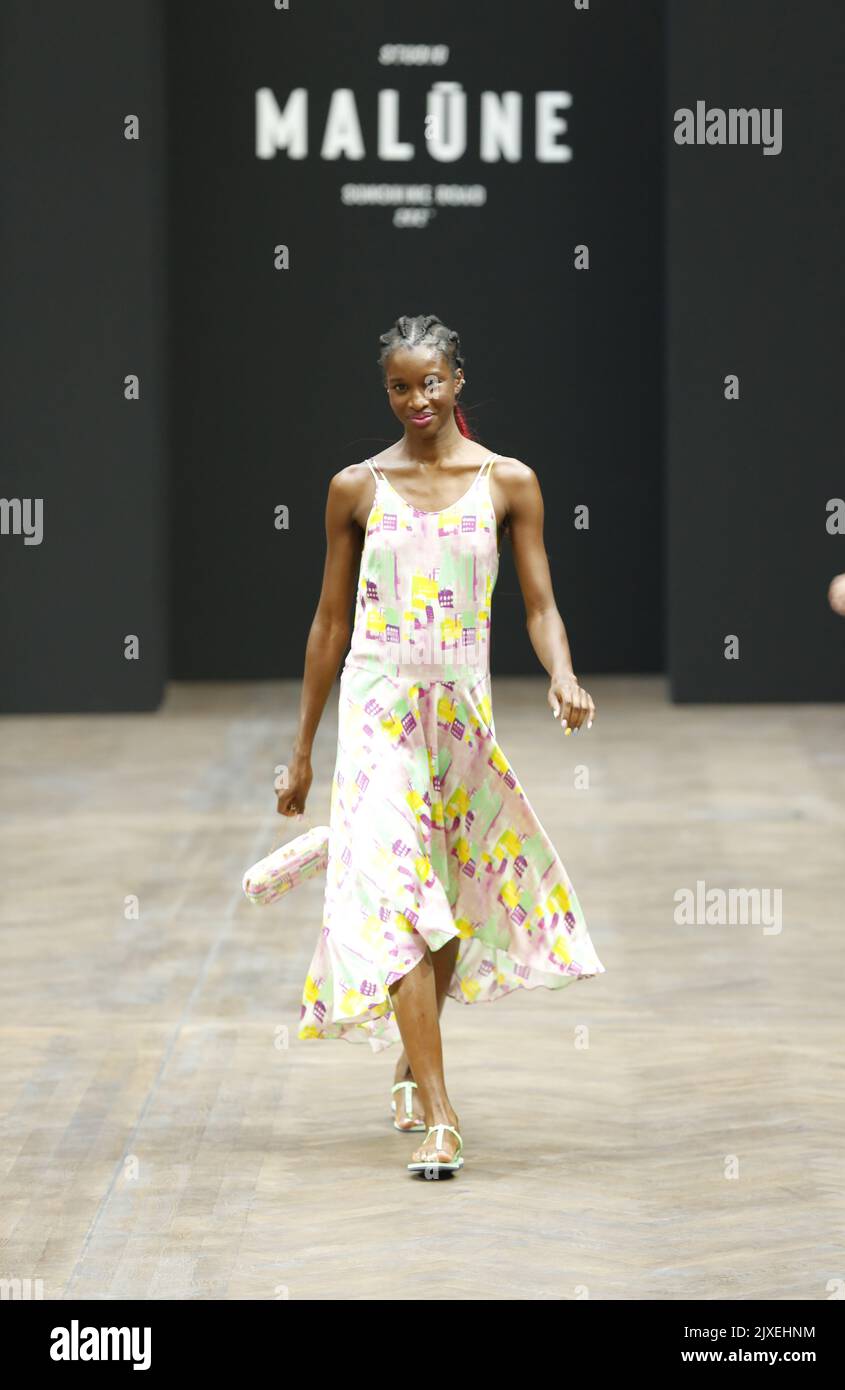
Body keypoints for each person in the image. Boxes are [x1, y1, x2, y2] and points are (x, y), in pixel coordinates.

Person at [276, 313, 605, 1174]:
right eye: (400, 385)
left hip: (461, 713)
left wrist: (562, 676)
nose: (417, 398)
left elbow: (538, 606)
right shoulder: (355, 487)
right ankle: (443, 1114)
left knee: (449, 906)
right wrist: (305, 749)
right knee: (393, 900)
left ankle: (408, 1062)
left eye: (432, 381)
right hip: (379, 707)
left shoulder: (509, 484)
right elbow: (329, 623)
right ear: (385, 389)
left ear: (458, 380)